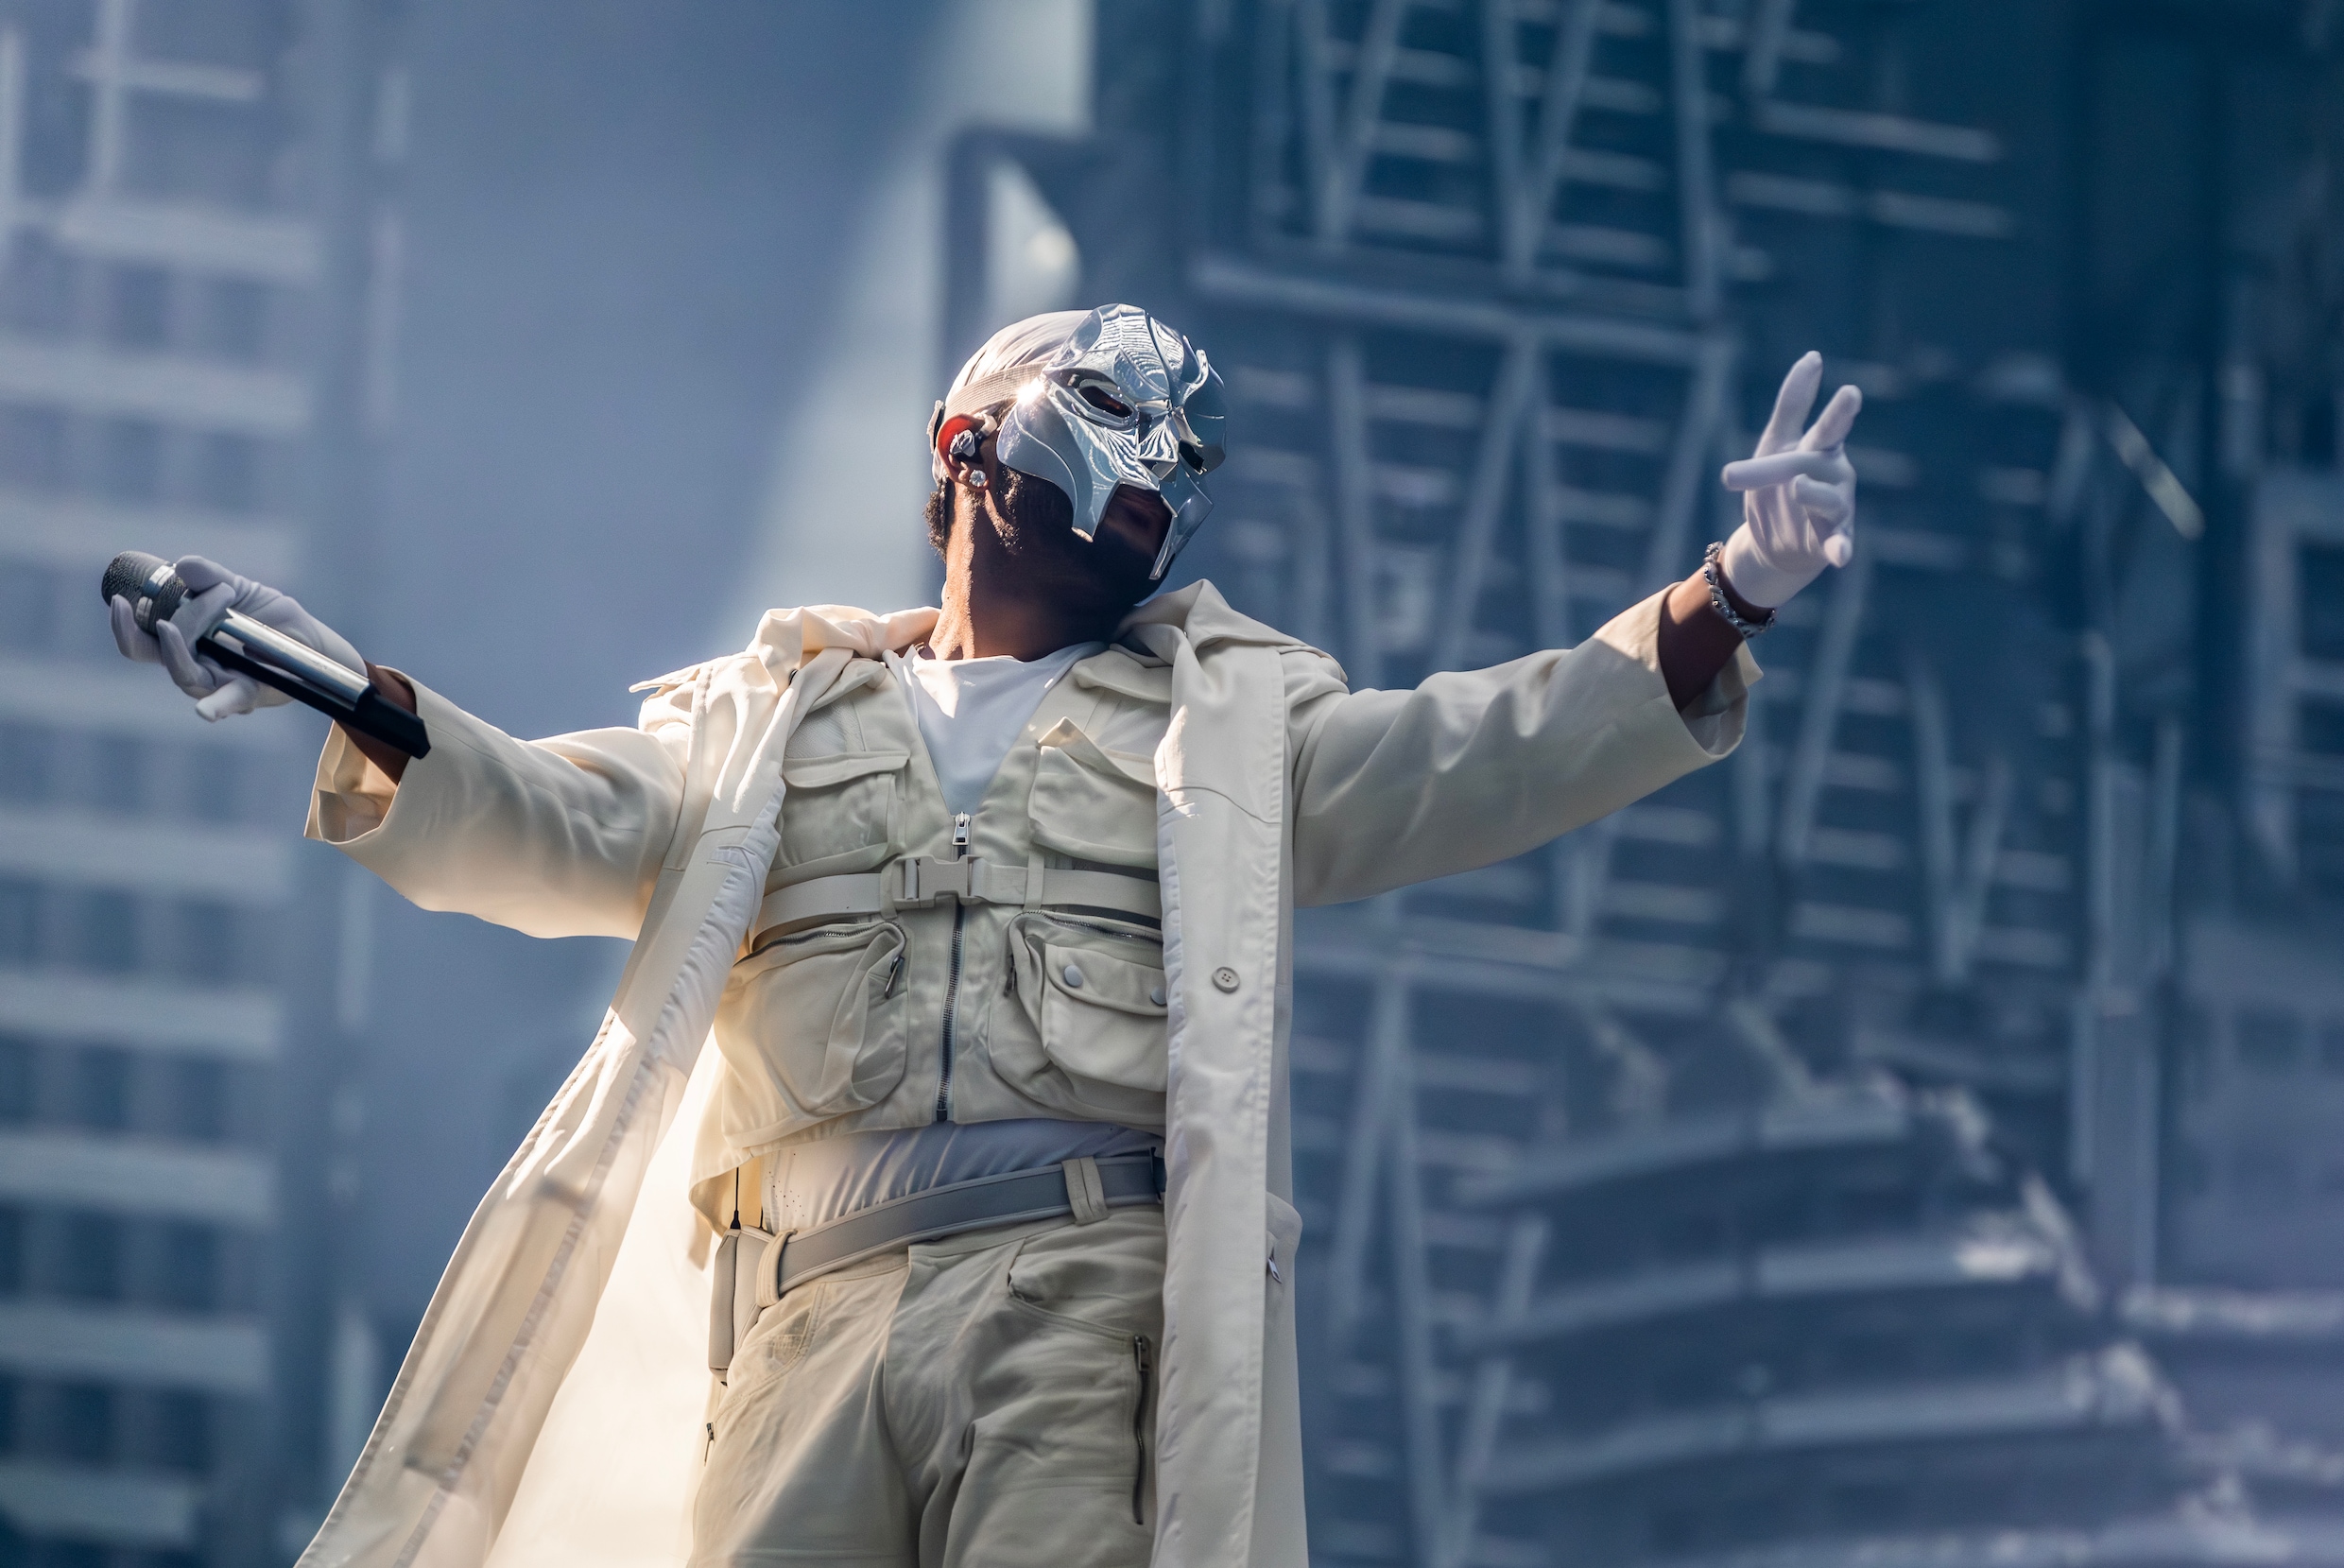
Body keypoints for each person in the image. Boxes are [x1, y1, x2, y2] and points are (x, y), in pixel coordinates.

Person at [111, 304, 1859, 1568]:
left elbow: (1472, 753)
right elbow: (551, 813)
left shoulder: (1226, 734)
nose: (1160, 461)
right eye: (1110, 406)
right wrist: (329, 680)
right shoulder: (768, 727)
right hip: (800, 1322)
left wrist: (1726, 599)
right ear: (968, 444)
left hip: (1072, 1306)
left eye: (1192, 449)